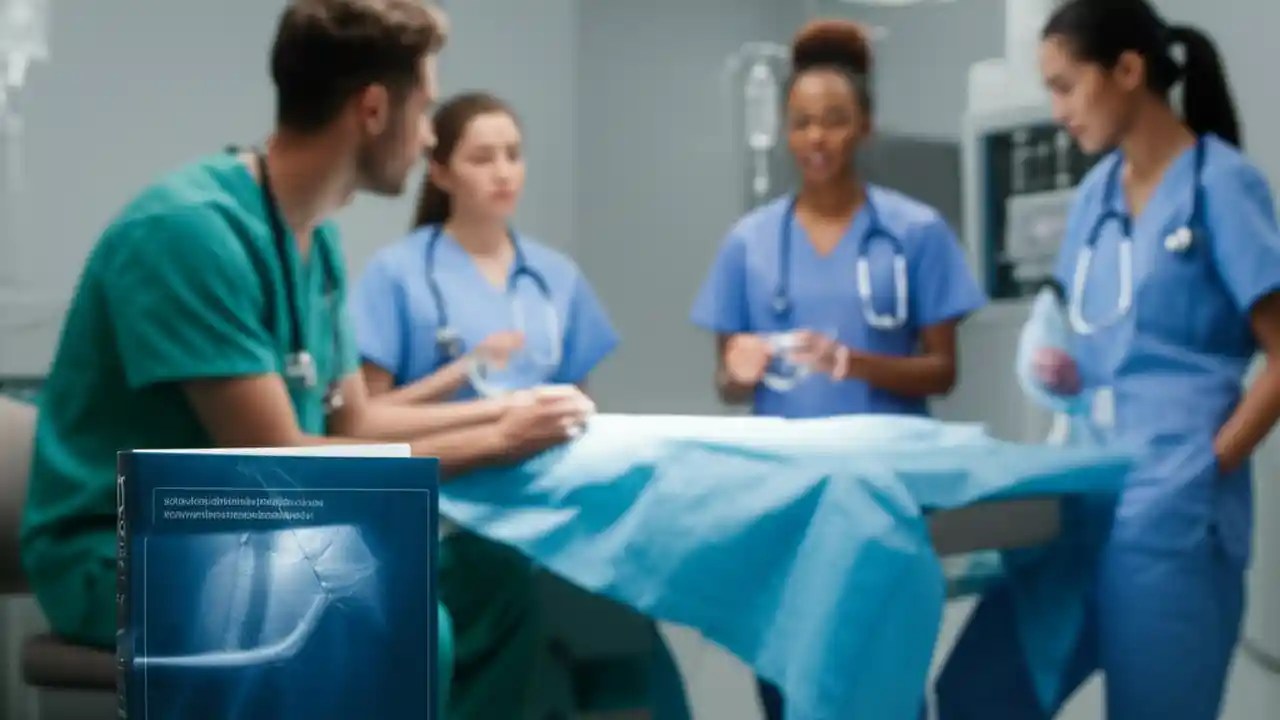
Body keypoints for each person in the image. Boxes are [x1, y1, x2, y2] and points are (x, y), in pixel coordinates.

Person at [18, 2, 593, 715]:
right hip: (123, 551)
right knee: (414, 624)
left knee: (494, 582)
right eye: (426, 114)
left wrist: (507, 411)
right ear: (375, 108)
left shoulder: (311, 238)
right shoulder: (188, 233)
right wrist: (497, 441)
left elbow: (354, 420)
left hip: (247, 531)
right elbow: (281, 457)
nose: (425, 141)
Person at [934, 1, 1280, 718]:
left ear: (1128, 70)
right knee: (976, 694)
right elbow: (1079, 327)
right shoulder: (1094, 196)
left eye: (1065, 86)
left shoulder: (1220, 184)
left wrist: (1206, 464)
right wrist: (1056, 367)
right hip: (1082, 497)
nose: (1055, 111)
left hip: (1171, 516)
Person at [687, 18, 986, 719]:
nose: (815, 139)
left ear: (865, 127)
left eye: (834, 121)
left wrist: (850, 361)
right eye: (801, 124)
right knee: (785, 671)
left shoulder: (916, 233)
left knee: (882, 665)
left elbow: (941, 371)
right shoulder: (749, 244)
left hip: (886, 491)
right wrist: (740, 367)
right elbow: (729, 385)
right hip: (783, 494)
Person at [352, 91, 620, 719]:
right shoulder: (397, 274)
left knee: (619, 639)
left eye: (513, 155)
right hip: (447, 512)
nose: (503, 172)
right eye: (481, 157)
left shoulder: (554, 277)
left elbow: (581, 406)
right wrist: (466, 374)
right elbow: (363, 419)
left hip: (547, 511)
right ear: (440, 171)